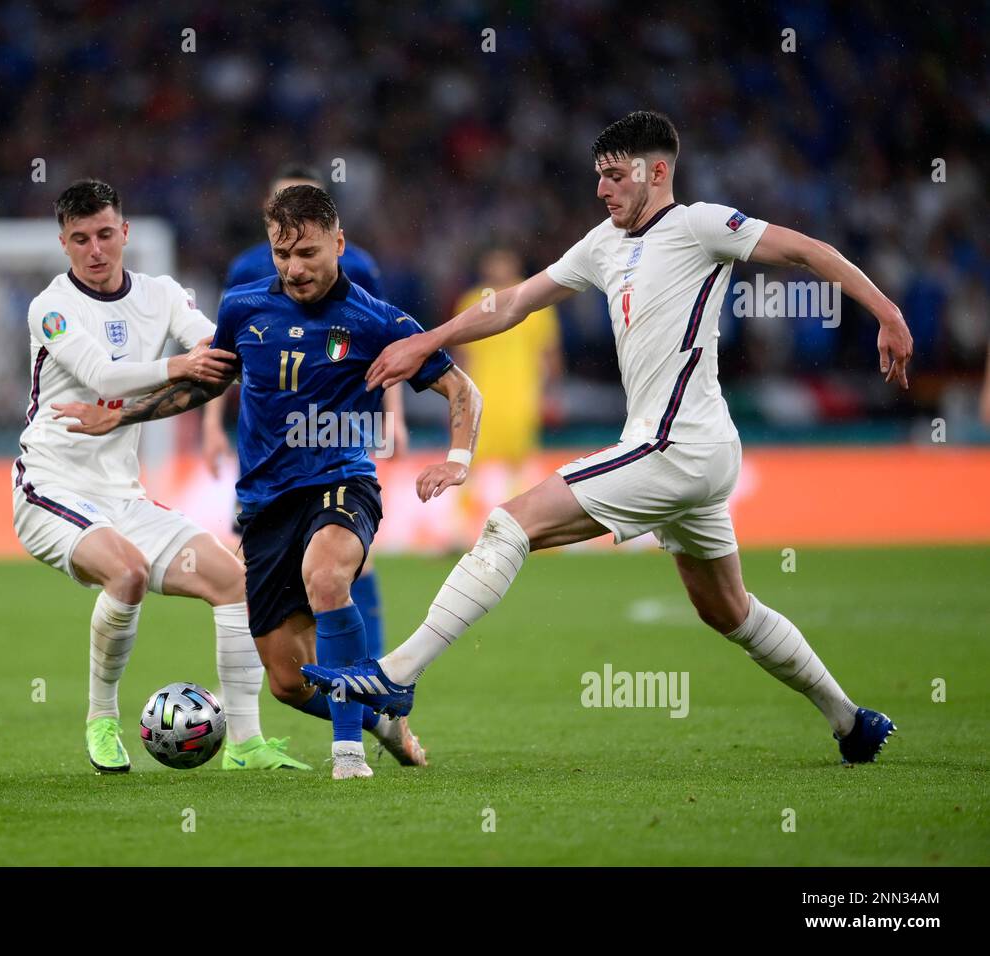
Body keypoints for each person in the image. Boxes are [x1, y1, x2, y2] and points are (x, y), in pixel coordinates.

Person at [304, 111, 915, 766]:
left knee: (510, 523)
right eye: (598, 177)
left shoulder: (700, 225)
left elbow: (804, 249)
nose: (603, 190)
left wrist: (885, 309)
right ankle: (851, 721)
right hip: (687, 455)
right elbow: (511, 303)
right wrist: (429, 339)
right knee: (727, 609)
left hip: (676, 444)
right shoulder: (603, 244)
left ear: (657, 173)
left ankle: (398, 673)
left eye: (615, 176)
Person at [53, 185, 483, 779]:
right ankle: (380, 718)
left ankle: (347, 756)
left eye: (307, 253)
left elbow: (462, 389)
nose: (294, 268)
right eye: (282, 254)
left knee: (327, 577)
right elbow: (207, 383)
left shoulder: (376, 320)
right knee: (286, 680)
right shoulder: (242, 307)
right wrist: (121, 413)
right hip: (263, 504)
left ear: (339, 243)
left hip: (341, 482)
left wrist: (458, 458)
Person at [13, 178, 310, 774]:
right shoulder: (50, 308)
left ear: (124, 232)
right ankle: (101, 719)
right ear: (64, 245)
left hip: (124, 495)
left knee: (234, 581)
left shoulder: (161, 294)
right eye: (80, 239)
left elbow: (217, 354)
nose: (95, 250)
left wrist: (224, 353)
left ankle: (246, 744)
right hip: (49, 488)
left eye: (104, 234)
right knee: (126, 573)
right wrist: (183, 364)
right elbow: (102, 376)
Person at [202, 163, 408, 669]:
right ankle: (279, 676)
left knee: (350, 560)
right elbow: (221, 358)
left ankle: (369, 665)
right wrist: (210, 426)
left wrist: (393, 415)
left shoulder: (357, 265)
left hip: (336, 432)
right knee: (242, 559)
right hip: (266, 443)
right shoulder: (248, 272)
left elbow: (390, 345)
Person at [452, 246, 562, 468]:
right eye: (494, 262)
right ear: (484, 266)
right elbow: (462, 355)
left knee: (519, 460)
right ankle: (468, 501)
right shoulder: (472, 301)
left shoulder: (535, 301)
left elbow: (549, 353)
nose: (499, 268)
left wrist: (551, 394)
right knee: (471, 457)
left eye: (504, 261)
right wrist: (457, 397)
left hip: (521, 396)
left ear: (516, 263)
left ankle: (515, 499)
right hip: (481, 394)